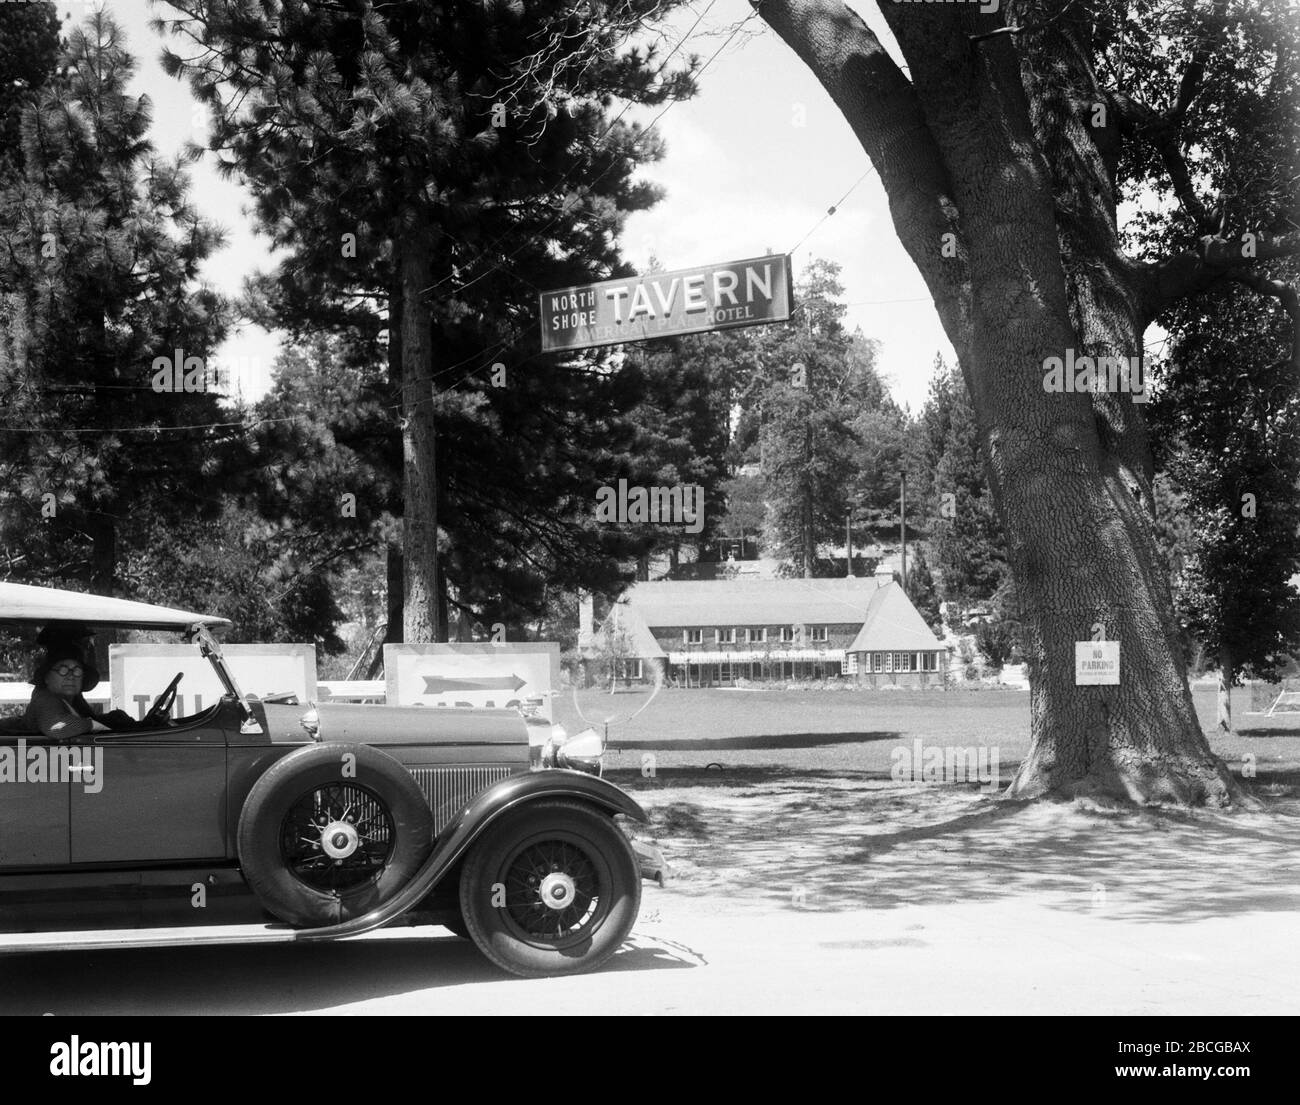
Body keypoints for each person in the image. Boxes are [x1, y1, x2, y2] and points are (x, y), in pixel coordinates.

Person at [23, 644, 111, 738]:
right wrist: (92, 725)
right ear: (47, 677)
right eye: (62, 670)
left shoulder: (74, 700)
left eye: (77, 670)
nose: (71, 676)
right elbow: (57, 728)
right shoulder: (44, 699)